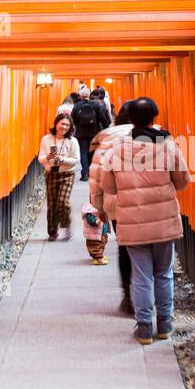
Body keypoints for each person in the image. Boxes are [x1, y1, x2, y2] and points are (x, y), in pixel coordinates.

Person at [98, 97, 190, 344]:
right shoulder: (167, 145)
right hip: (163, 220)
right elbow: (182, 180)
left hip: (131, 220)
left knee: (141, 276)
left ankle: (144, 328)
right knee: (164, 273)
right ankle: (165, 325)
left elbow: (109, 186)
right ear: (154, 117)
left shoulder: (118, 149)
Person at [89, 100, 134, 313]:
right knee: (150, 250)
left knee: (125, 247)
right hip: (151, 203)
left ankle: (128, 295)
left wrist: (98, 207)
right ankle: (148, 296)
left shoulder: (107, 140)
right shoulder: (158, 138)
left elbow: (97, 176)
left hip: (116, 202)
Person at [37, 113, 79, 241]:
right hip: (51, 174)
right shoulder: (46, 139)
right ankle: (52, 231)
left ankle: (66, 224)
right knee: (52, 204)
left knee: (62, 201)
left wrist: (63, 159)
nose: (64, 127)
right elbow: (40, 158)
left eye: (67, 125)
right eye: (62, 124)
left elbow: (76, 160)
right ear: (56, 124)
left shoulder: (72, 141)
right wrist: (48, 157)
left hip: (67, 174)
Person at [70, 92, 106, 181]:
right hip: (94, 132)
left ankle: (85, 173)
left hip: (81, 133)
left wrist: (77, 125)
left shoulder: (77, 105)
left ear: (80, 96)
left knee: (83, 152)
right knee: (92, 152)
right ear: (89, 95)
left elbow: (72, 118)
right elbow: (102, 117)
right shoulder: (95, 104)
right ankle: (92, 172)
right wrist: (105, 127)